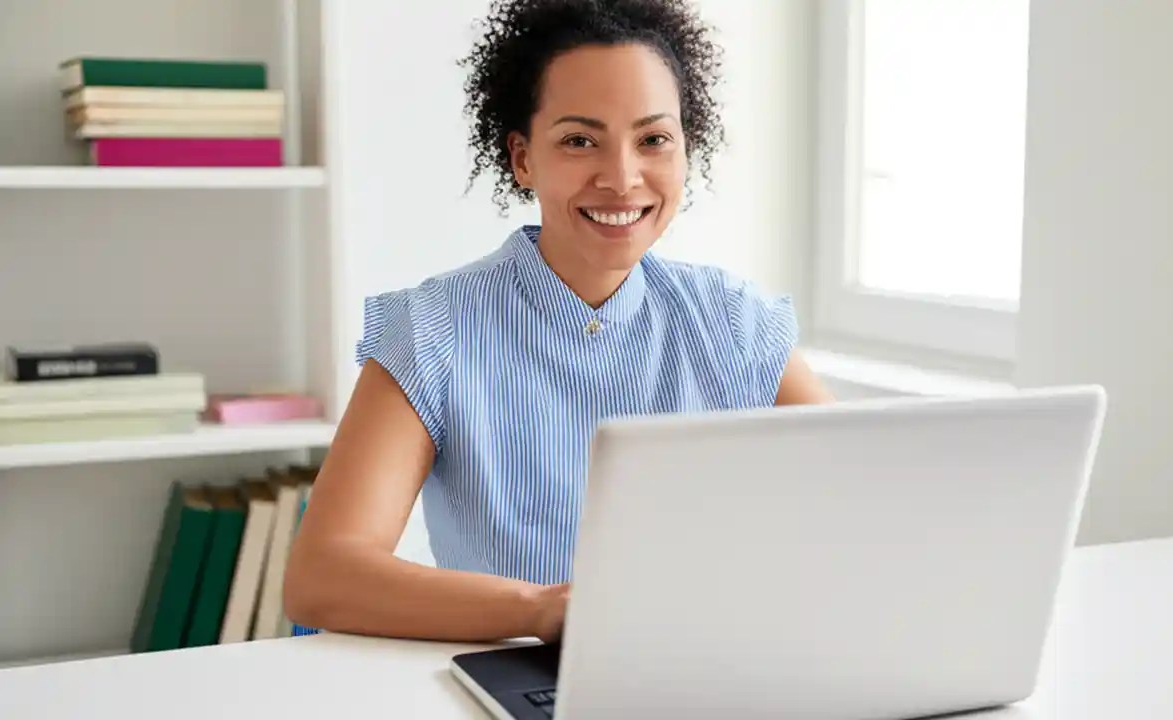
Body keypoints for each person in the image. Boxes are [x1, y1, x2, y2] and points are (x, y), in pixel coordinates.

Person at [283, 0, 833, 644]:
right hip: (517, 672)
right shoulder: (433, 331)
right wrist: (543, 611)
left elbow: (862, 505)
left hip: (710, 663)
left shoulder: (735, 323)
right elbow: (322, 576)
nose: (622, 178)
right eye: (580, 141)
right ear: (522, 158)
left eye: (653, 139)